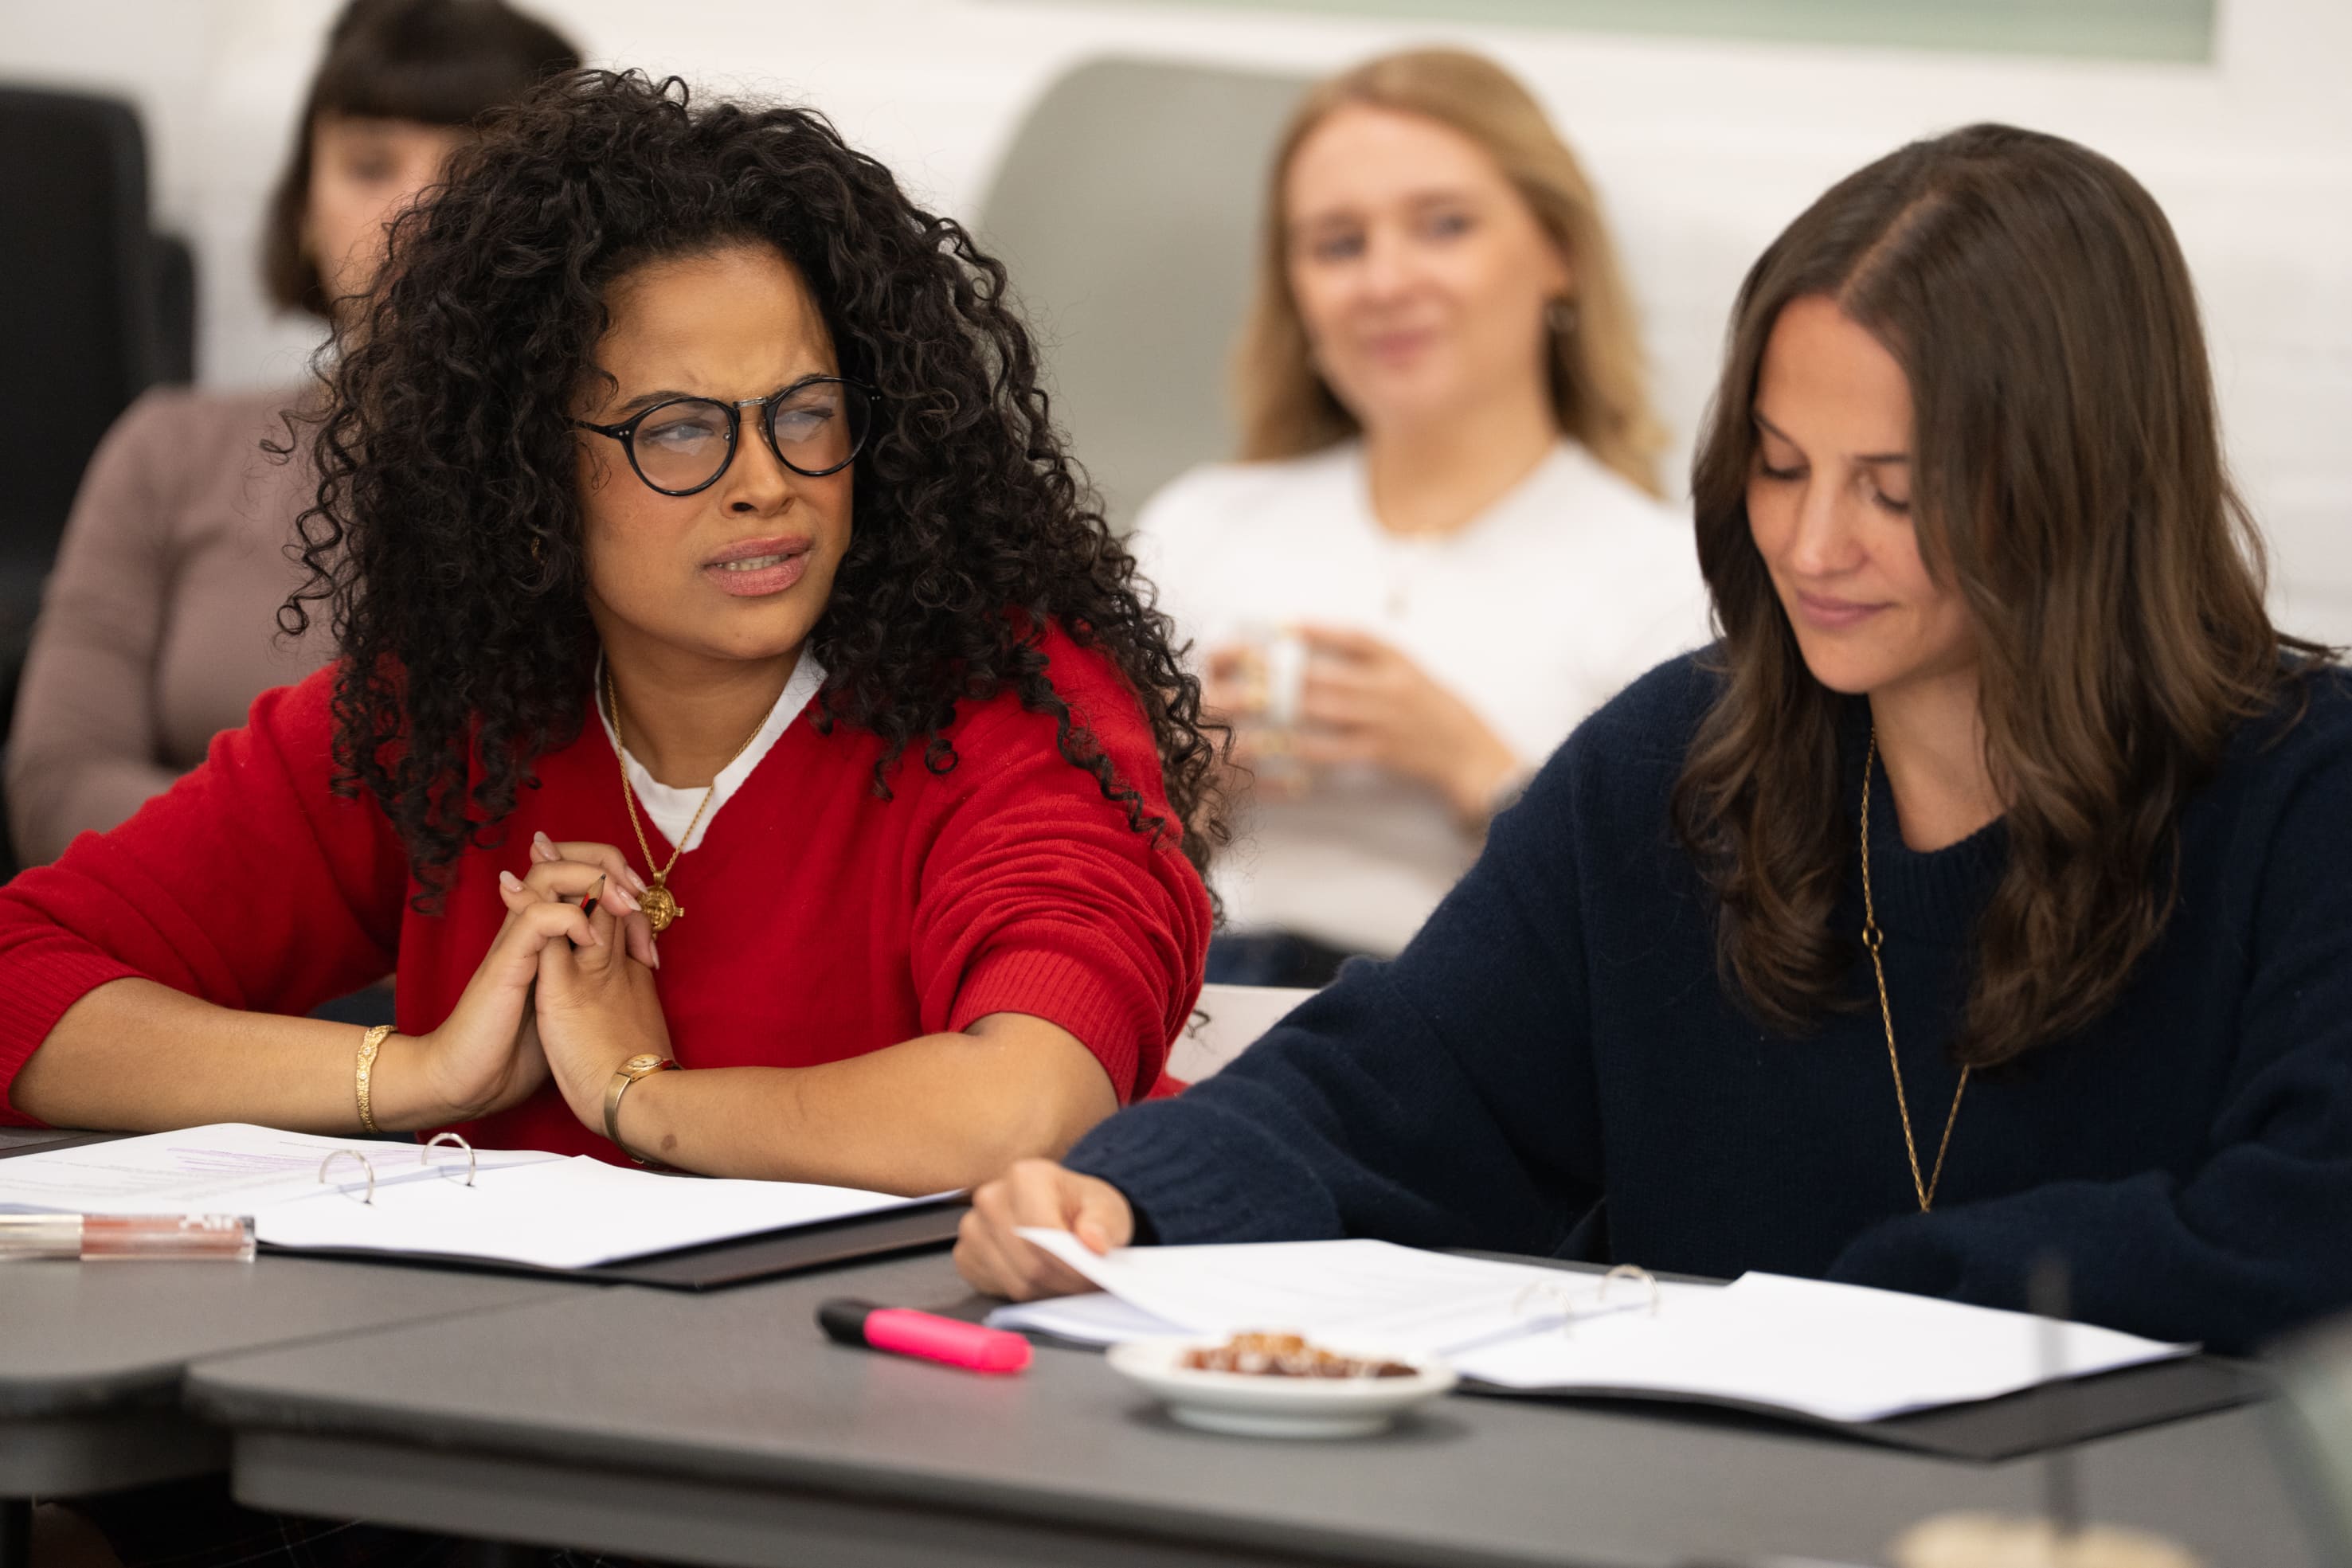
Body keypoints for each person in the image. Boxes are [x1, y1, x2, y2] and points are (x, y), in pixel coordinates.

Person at [953, 123, 2352, 1355]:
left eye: (1894, 489)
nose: (1810, 545)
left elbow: (2303, 1224)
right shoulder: (1673, 765)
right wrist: (1133, 1191)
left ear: (2083, 480)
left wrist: (1856, 1305)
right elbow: (1401, 1083)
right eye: (1778, 463)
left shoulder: (2307, 792)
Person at [0, 69, 1217, 1207]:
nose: (765, 482)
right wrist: (419, 1076)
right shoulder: (447, 710)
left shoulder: (1014, 700)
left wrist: (645, 1099)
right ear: (530, 471)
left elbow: (1022, 1111)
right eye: (679, 431)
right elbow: (23, 973)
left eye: (805, 413)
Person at [1132, 48, 1708, 987]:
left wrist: (1477, 771)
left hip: (1465, 1044)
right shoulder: (1197, 527)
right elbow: (1055, 865)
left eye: (1442, 226)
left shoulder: (1666, 580)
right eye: (1338, 244)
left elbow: (1683, 936)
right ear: (1299, 296)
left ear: (1559, 251)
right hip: (1187, 1016)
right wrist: (1171, 779)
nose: (1385, 281)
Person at [4, 0, 581, 870]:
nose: (417, 208)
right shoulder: (167, 449)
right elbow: (55, 785)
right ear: (305, 212)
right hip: (169, 966)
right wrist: (316, 871)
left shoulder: (619, 474)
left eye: (478, 166)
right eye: (368, 163)